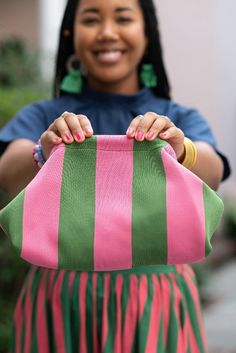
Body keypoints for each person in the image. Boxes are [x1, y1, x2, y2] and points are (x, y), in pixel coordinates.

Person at [0, 0, 230, 352]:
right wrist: (43, 150)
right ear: (70, 33)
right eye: (91, 19)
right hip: (61, 301)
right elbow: (9, 172)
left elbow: (212, 173)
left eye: (123, 17)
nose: (107, 32)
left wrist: (180, 147)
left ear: (147, 33)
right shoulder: (43, 115)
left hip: (155, 302)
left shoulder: (177, 116)